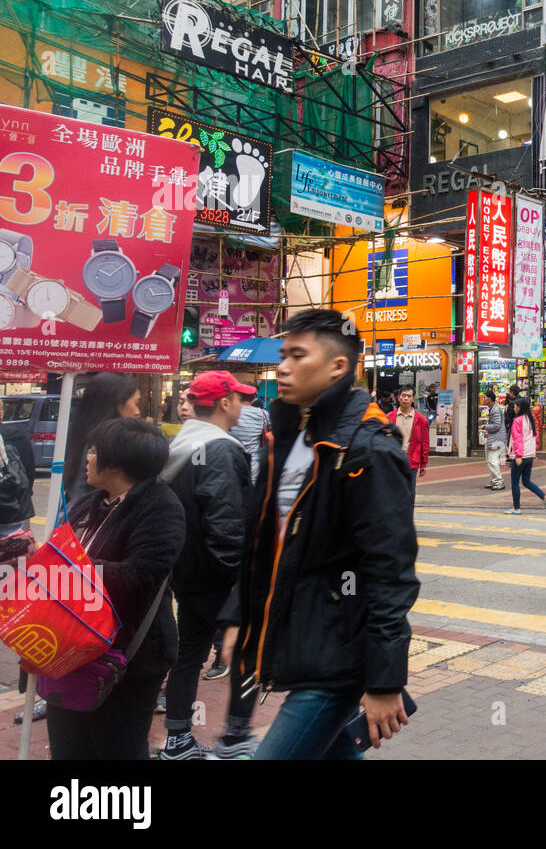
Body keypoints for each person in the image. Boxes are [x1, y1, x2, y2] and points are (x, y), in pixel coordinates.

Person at [218, 308, 419, 759]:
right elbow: (264, 543)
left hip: (337, 663)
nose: (282, 367)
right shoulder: (288, 437)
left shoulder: (369, 450)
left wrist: (385, 681)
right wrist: (239, 616)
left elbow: (390, 571)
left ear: (337, 367)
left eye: (297, 356)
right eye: (282, 355)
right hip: (304, 642)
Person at [46, 418, 183, 760]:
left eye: (95, 451)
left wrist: (71, 569)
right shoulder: (89, 504)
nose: (88, 458)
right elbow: (58, 556)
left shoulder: (161, 508)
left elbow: (140, 577)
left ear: (118, 462)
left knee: (116, 747)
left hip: (126, 658)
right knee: (69, 748)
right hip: (72, 649)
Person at [158, 371, 257, 760]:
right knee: (246, 655)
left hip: (188, 574)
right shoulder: (220, 449)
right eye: (239, 398)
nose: (244, 405)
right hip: (219, 579)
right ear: (223, 403)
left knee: (189, 654)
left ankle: (178, 739)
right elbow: (227, 522)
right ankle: (235, 737)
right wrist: (238, 583)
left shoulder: (181, 445)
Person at [62, 371, 141, 512]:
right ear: (117, 402)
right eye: (135, 403)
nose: (137, 411)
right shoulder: (107, 442)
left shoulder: (81, 434)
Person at [505, 396, 546, 515]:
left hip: (521, 455)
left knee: (515, 482)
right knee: (526, 481)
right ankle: (545, 497)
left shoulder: (518, 420)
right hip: (530, 455)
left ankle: (516, 508)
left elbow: (517, 439)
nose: (514, 408)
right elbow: (533, 438)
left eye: (515, 406)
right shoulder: (529, 420)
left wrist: (518, 455)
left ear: (520, 408)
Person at [388, 384, 429, 495]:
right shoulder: (388, 418)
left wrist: (423, 464)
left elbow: (425, 443)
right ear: (398, 397)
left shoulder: (421, 420)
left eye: (409, 396)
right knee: (392, 491)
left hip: (411, 460)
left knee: (409, 492)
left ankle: (408, 512)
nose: (406, 398)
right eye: (403, 395)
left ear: (413, 399)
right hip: (392, 460)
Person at [228, 379, 269, 485]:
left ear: (238, 395)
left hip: (231, 460)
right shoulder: (263, 414)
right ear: (254, 397)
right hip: (253, 462)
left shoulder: (229, 412)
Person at [482, 388, 506, 491]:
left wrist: (485, 427)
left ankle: (498, 482)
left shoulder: (495, 410)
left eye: (485, 397)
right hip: (494, 438)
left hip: (497, 439)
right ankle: (493, 481)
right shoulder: (493, 409)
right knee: (490, 460)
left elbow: (496, 425)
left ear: (490, 399)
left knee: (492, 460)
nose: (483, 399)